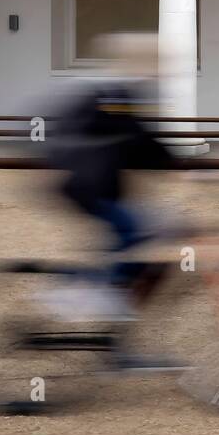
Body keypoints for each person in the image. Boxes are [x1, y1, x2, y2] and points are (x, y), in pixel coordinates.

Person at [43, 33, 175, 325]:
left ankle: (111, 307)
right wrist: (196, 169)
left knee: (151, 232)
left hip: (92, 183)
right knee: (135, 234)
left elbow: (140, 141)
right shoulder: (115, 93)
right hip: (87, 184)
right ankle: (76, 294)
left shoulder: (117, 91)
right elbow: (140, 139)